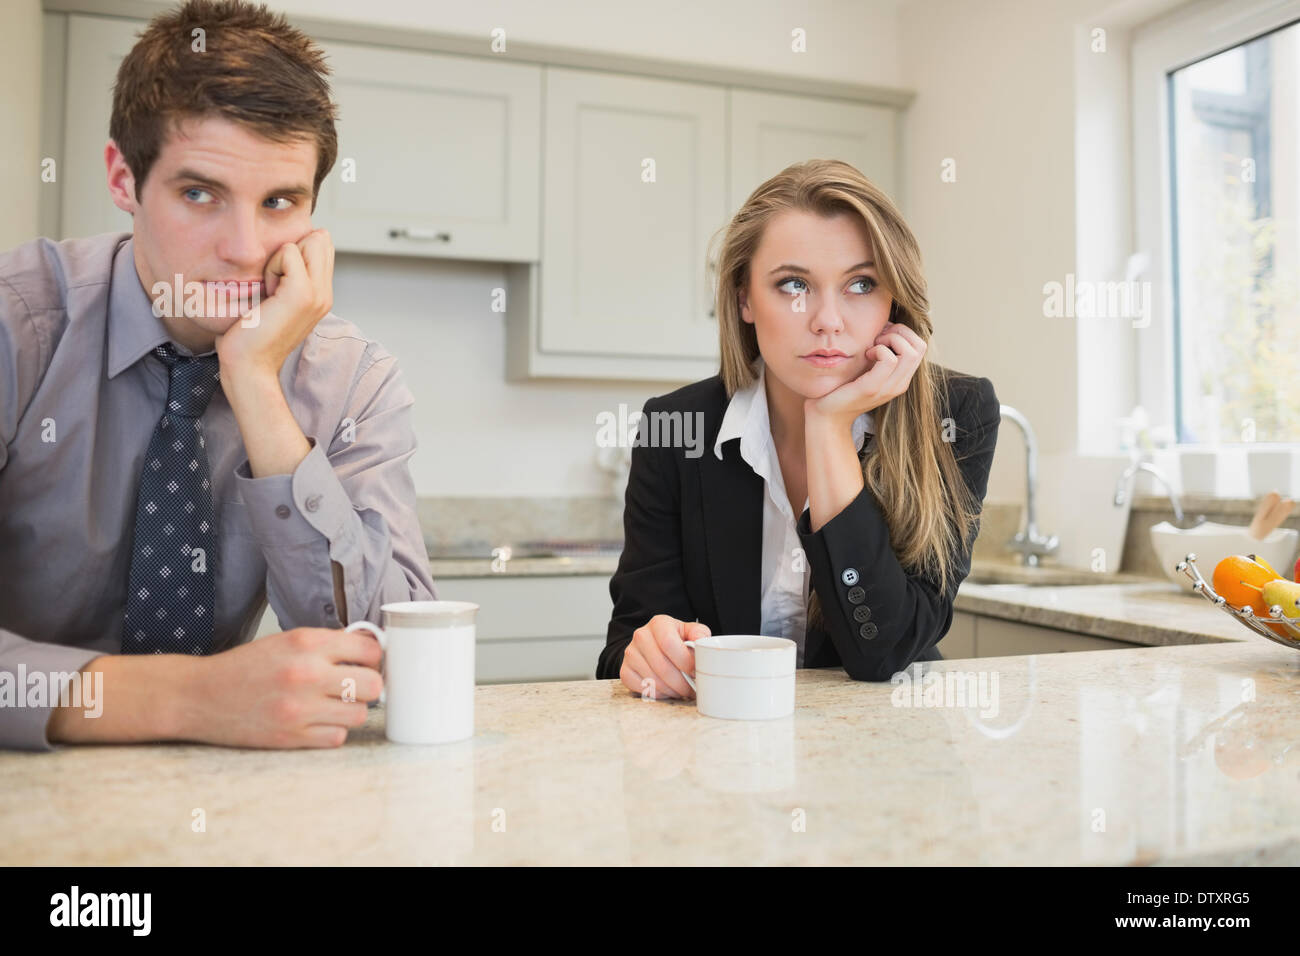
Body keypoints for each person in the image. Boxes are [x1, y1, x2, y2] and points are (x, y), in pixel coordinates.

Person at [0, 0, 436, 751]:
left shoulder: (352, 382)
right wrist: (190, 699)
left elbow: (393, 653)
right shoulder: (20, 327)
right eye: (199, 193)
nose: (244, 248)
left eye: (280, 202)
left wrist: (259, 388)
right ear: (123, 177)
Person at [598, 158, 1001, 697]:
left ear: (894, 300)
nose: (828, 320)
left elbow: (884, 654)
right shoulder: (676, 427)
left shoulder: (957, 414)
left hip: (887, 753)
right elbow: (625, 646)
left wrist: (829, 427)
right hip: (721, 749)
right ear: (744, 297)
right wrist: (646, 653)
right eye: (794, 284)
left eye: (861, 283)